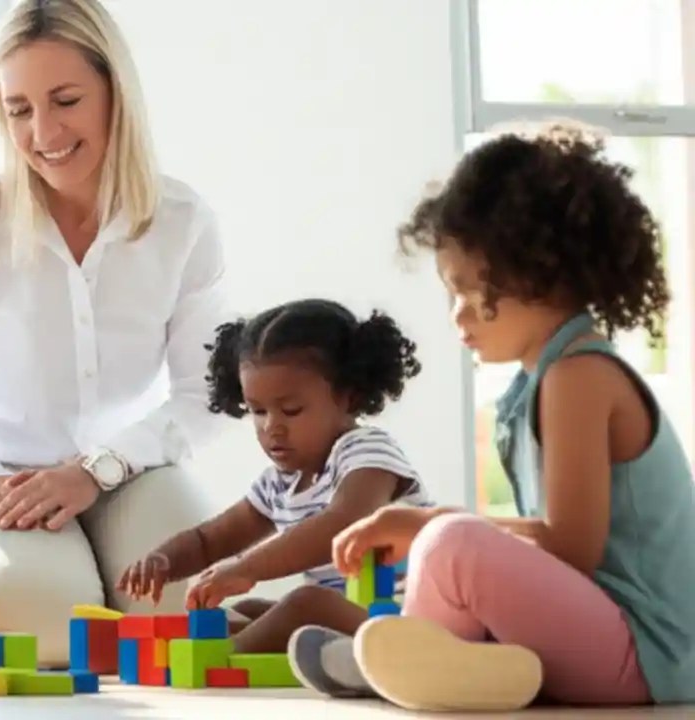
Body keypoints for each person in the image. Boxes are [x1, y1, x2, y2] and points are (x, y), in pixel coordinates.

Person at [294, 120, 695, 711]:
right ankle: (435, 660)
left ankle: (409, 659)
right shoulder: (546, 378)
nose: (457, 314)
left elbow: (571, 548)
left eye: (466, 290)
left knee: (451, 542)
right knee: (446, 546)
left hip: (646, 656)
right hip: (612, 642)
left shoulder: (578, 377)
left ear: (534, 271)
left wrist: (426, 522)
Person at [0, 0, 231, 664]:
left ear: (115, 92)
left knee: (186, 611)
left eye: (66, 100)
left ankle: (97, 585)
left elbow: (208, 396)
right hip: (5, 478)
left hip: (133, 474)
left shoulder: (183, 220)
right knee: (42, 626)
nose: (43, 132)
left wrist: (96, 470)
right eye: (18, 109)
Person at [119, 299, 430, 654]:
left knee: (303, 604)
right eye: (258, 411)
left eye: (291, 410)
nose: (272, 427)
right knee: (248, 610)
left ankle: (218, 664)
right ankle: (219, 650)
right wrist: (164, 561)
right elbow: (210, 540)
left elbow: (343, 522)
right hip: (351, 622)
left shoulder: (367, 452)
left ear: (349, 397)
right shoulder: (280, 483)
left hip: (410, 619)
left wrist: (247, 568)